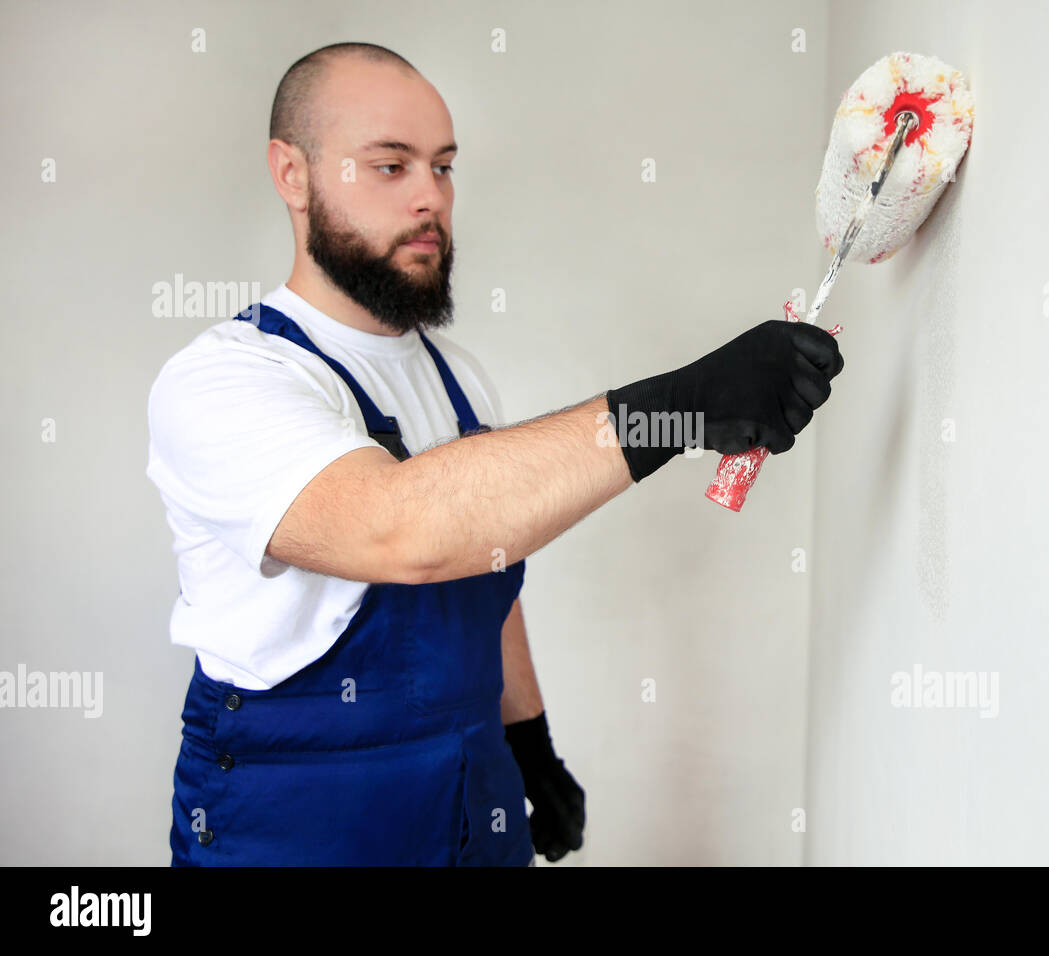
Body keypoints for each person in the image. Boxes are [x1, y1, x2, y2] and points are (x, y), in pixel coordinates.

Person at [146, 42, 843, 867]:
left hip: (471, 798)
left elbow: (484, 554)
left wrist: (528, 737)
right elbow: (398, 529)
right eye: (390, 166)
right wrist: (683, 404)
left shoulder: (458, 379)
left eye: (442, 167)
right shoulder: (225, 379)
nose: (430, 199)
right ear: (291, 174)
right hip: (295, 824)